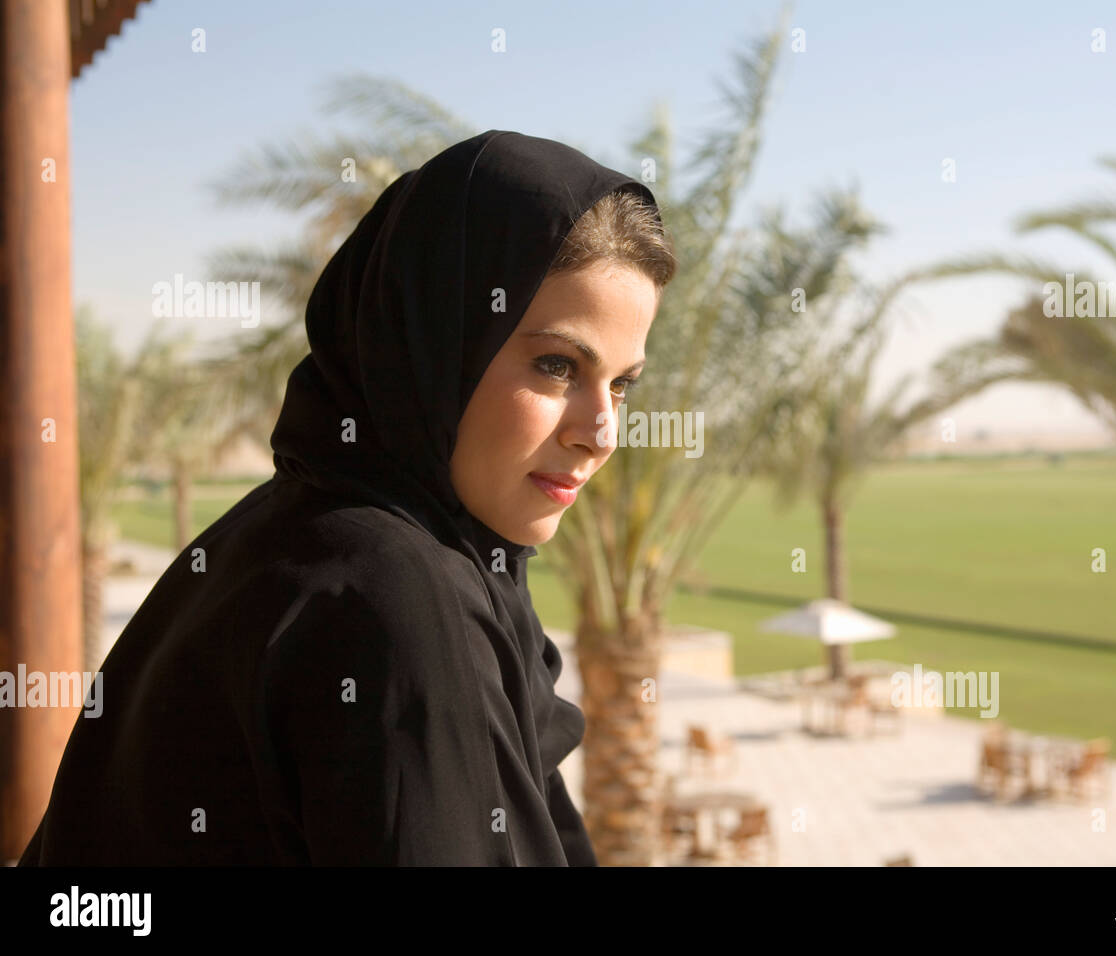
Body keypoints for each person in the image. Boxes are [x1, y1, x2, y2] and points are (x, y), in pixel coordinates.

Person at [18, 129, 676, 865]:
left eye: (621, 384)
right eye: (557, 365)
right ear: (430, 342)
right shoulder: (391, 596)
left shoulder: (294, 531)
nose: (602, 432)